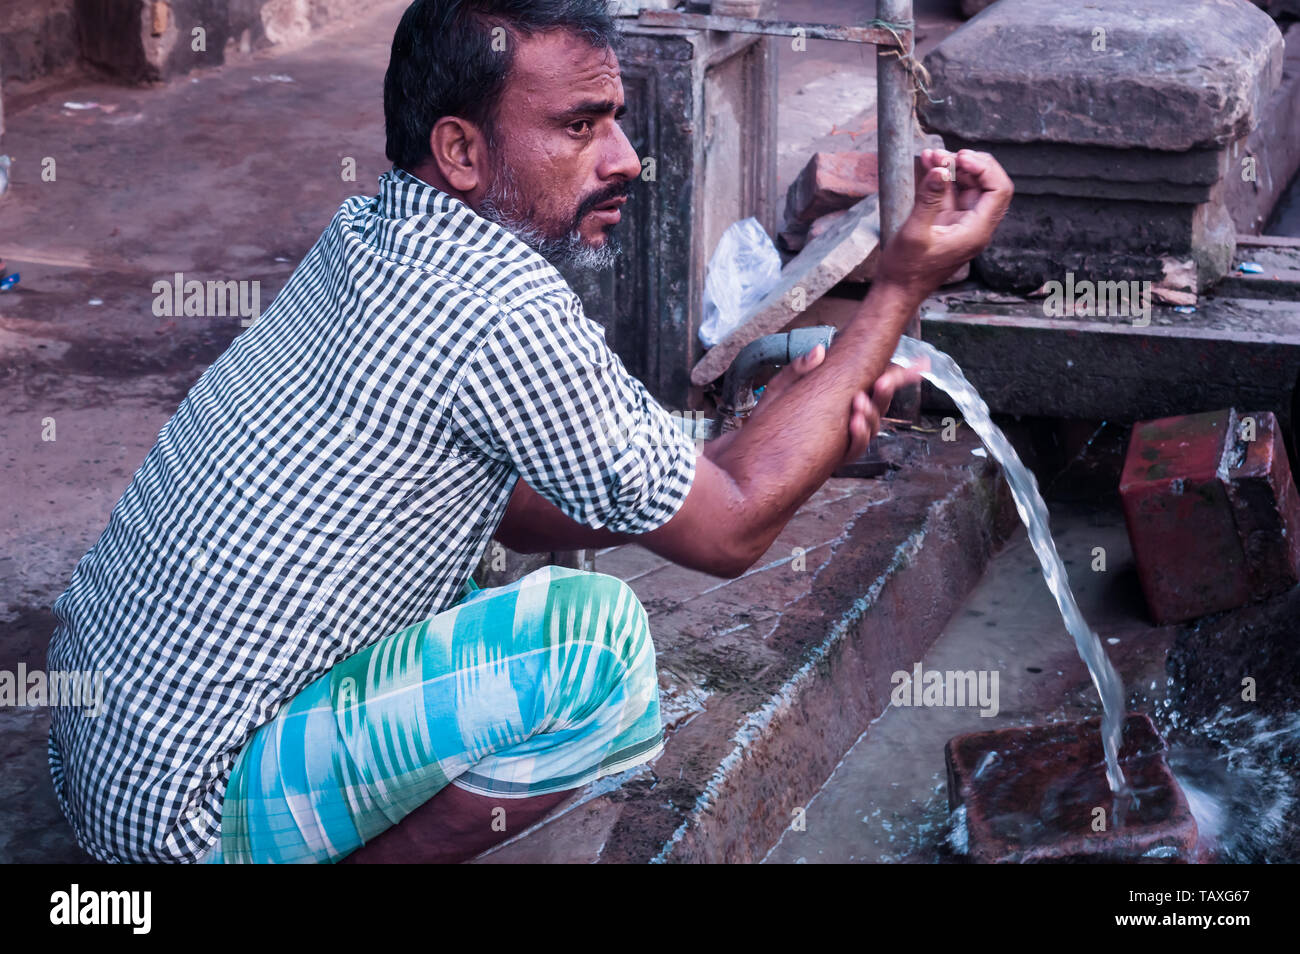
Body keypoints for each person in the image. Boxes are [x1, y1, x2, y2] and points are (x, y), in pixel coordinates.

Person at [45, 0, 1012, 864]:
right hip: (186, 828)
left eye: (616, 121)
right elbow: (730, 531)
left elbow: (512, 502)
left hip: (108, 763)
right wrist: (899, 282)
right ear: (462, 150)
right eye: (579, 127)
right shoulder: (499, 305)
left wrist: (732, 454)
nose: (624, 158)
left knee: (511, 568)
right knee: (593, 650)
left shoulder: (374, 231)